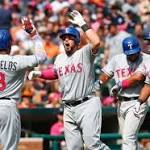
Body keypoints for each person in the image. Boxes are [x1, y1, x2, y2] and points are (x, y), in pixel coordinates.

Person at [28, 9, 110, 150]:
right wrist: (40, 74)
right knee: (73, 148)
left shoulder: (84, 53)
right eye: (64, 38)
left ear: (77, 40)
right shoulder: (60, 58)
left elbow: (96, 42)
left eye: (70, 37)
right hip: (68, 108)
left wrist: (82, 23)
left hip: (87, 104)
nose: (66, 40)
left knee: (93, 144)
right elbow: (55, 73)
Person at [0, 17, 47, 150]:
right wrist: (34, 35)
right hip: (8, 106)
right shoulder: (18, 60)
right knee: (10, 148)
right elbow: (42, 57)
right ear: (9, 45)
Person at [95, 36, 149, 150]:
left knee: (128, 138)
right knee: (128, 138)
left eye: (134, 52)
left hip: (137, 101)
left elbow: (138, 77)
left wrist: (119, 84)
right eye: (129, 53)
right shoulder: (117, 59)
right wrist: (99, 82)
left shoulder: (146, 59)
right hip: (121, 102)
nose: (132, 55)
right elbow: (106, 74)